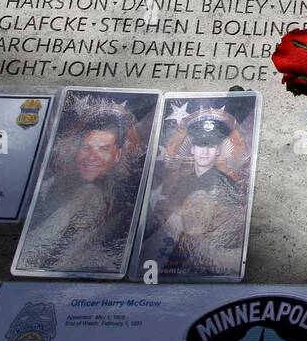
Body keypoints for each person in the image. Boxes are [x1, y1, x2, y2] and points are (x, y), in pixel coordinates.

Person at [23, 106, 138, 271]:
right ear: (77, 150)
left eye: (103, 149)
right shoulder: (50, 187)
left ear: (118, 154)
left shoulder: (126, 202)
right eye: (86, 147)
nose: (92, 157)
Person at [141, 107, 246, 276]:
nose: (204, 152)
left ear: (217, 150)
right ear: (192, 149)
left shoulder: (229, 185)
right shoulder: (178, 184)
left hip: (211, 259)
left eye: (210, 146)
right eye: (199, 145)